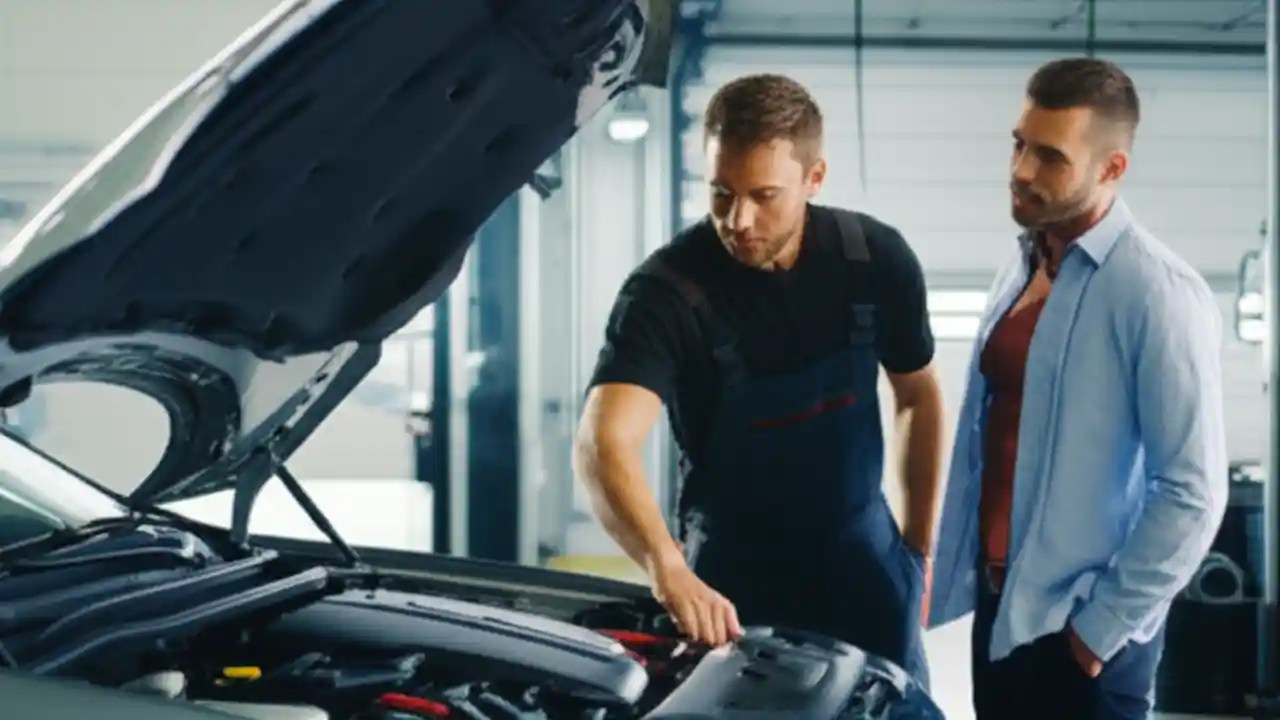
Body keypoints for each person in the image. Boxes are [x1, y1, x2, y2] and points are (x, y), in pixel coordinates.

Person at [573, 73, 944, 686]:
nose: (737, 219)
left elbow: (918, 397)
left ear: (814, 178)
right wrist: (668, 569)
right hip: (734, 587)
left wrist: (918, 550)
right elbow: (602, 444)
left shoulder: (874, 260)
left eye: (763, 195)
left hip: (865, 563)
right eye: (721, 192)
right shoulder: (666, 293)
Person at [926, 57, 1229, 719]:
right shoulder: (1023, 260)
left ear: (1111, 168)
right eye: (1018, 144)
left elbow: (1193, 489)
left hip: (1082, 635)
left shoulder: (1154, 291)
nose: (1021, 171)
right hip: (1004, 614)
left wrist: (1098, 631)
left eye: (1051, 157)